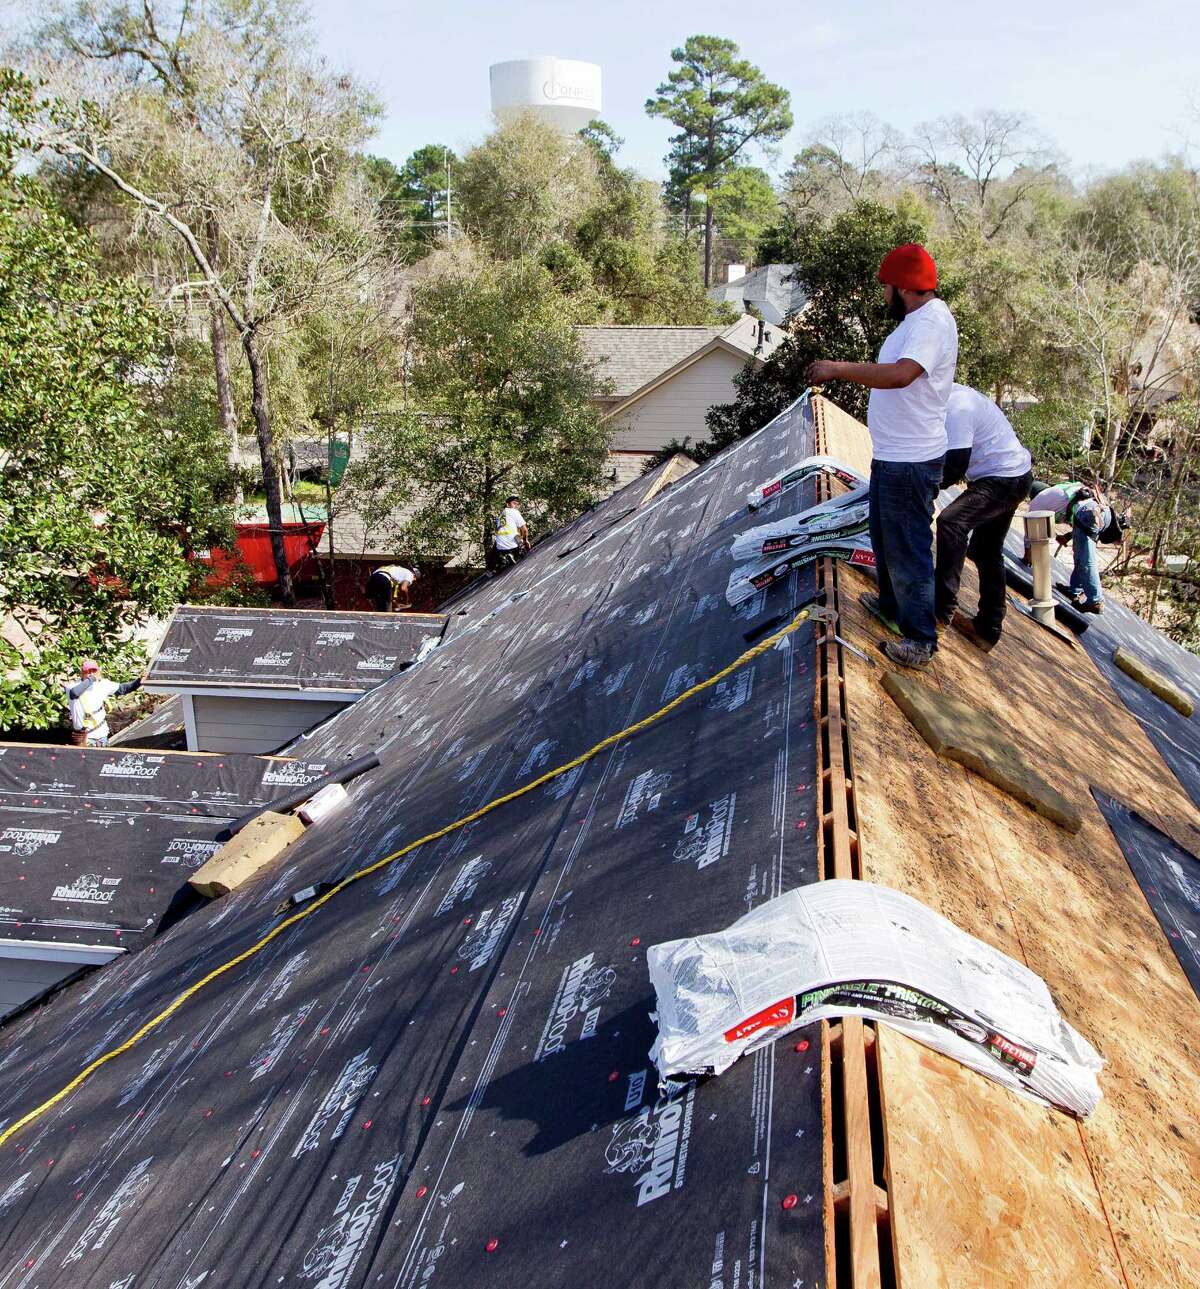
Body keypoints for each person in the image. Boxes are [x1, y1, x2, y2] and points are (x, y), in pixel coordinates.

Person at [807, 243, 958, 668]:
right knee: (885, 538)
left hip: (911, 460)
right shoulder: (917, 322)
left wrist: (837, 368)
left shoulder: (931, 323)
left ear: (903, 287)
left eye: (886, 286)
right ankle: (891, 606)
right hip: (895, 454)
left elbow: (901, 375)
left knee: (908, 549)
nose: (884, 294)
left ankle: (920, 641)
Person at [933, 384, 1033, 651]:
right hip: (1015, 473)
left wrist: (920, 490)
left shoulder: (957, 406)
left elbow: (954, 468)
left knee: (951, 523)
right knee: (985, 551)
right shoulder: (949, 395)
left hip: (1004, 479)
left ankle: (940, 612)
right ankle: (988, 629)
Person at [1026, 482, 1127, 614]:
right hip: (1104, 512)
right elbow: (1079, 518)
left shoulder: (1037, 502)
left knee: (1085, 560)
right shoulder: (1061, 489)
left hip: (1089, 514)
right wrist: (1067, 536)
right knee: (1080, 555)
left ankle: (1095, 601)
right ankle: (1075, 590)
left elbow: (1030, 532)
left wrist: (1027, 555)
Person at [64, 659, 142, 747]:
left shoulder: (103, 684)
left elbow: (123, 689)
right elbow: (74, 693)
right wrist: (92, 679)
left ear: (98, 671)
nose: (91, 674)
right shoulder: (72, 686)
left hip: (102, 735)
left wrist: (140, 680)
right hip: (85, 737)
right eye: (87, 671)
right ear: (82, 673)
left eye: (94, 671)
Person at [490, 496, 530, 572]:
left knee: (506, 535)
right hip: (511, 545)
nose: (516, 506)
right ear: (508, 504)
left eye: (517, 504)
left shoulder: (501, 515)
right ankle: (515, 553)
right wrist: (526, 541)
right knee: (518, 536)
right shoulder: (514, 512)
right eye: (514, 503)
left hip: (500, 547)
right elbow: (525, 530)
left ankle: (504, 558)